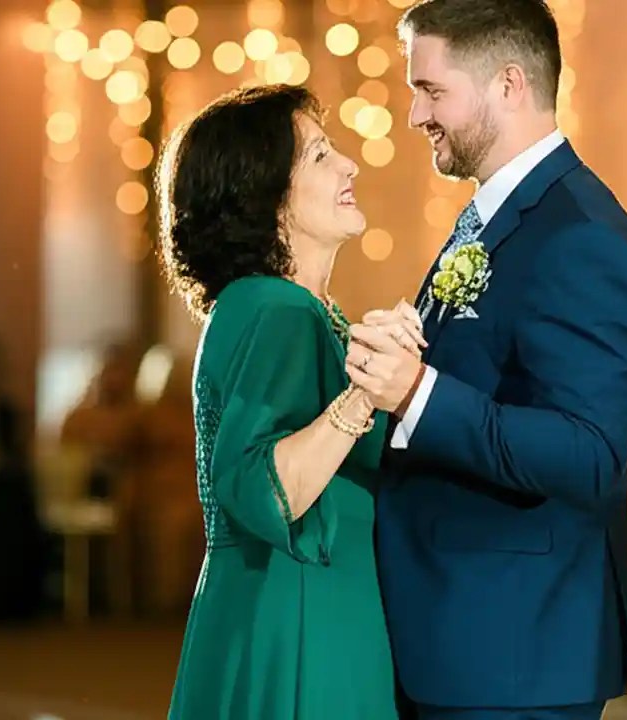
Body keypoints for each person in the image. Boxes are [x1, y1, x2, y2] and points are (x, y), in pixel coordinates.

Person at [347, 1, 627, 717]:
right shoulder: (502, 214)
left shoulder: (579, 233)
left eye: (431, 90)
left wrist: (418, 393)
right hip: (464, 637)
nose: (414, 114)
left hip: (513, 651)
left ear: (510, 84)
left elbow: (589, 456)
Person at [155, 84, 422, 720]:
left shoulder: (303, 312)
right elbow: (267, 487)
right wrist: (364, 394)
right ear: (265, 191)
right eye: (321, 156)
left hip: (294, 606)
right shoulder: (274, 307)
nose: (350, 164)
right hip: (298, 616)